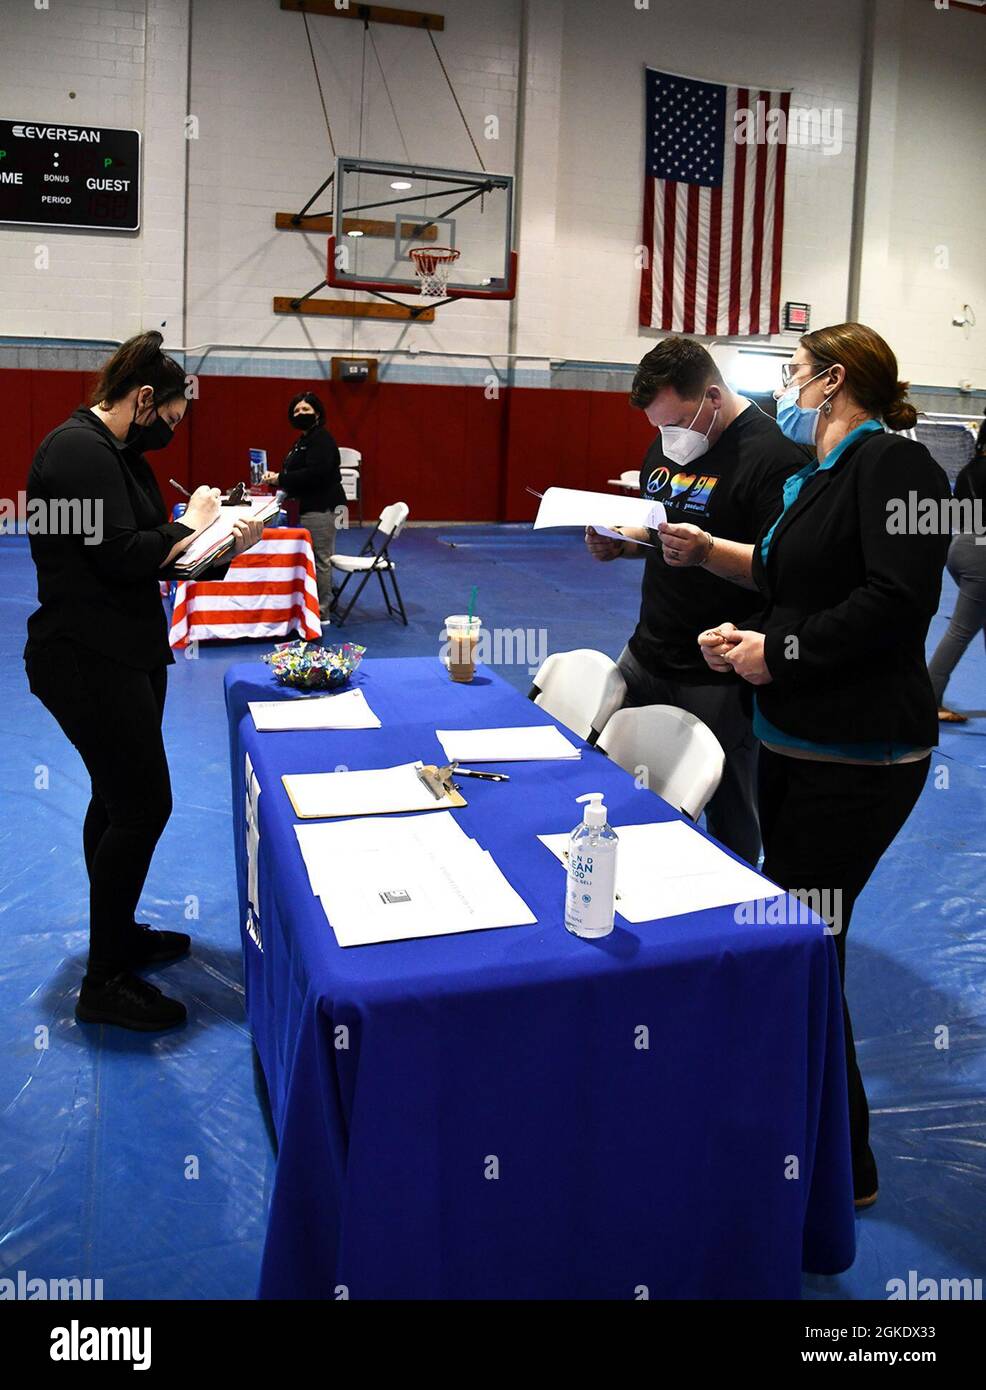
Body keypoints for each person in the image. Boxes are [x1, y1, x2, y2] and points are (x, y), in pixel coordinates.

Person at [696, 323, 951, 1207]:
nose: (785, 389)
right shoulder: (821, 477)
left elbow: (896, 600)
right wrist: (752, 637)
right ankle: (807, 1135)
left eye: (796, 373)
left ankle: (842, 1164)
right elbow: (788, 579)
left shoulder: (897, 467)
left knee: (804, 944)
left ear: (835, 380)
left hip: (861, 755)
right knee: (802, 940)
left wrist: (785, 652)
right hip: (796, 741)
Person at [24, 331, 265, 1032]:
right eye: (170, 421)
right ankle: (104, 980)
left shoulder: (118, 455)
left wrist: (221, 544)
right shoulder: (75, 451)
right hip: (84, 656)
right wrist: (191, 523)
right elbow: (123, 554)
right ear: (144, 399)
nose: (169, 435)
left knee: (117, 796)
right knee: (142, 804)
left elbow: (159, 552)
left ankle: (116, 934)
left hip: (122, 650)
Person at [585, 336, 808, 864]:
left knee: (730, 810)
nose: (669, 438)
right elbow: (664, 534)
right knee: (612, 781)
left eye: (677, 423)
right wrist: (625, 543)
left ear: (712, 397)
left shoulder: (776, 457)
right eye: (659, 427)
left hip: (719, 667)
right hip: (648, 648)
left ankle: (733, 920)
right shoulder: (666, 443)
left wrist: (707, 552)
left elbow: (784, 573)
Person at [262, 392, 346, 623]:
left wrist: (281, 478)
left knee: (321, 558)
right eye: (297, 411)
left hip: (322, 506)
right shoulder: (303, 441)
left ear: (317, 414)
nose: (300, 414)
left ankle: (322, 610)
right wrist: (278, 480)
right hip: (306, 506)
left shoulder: (322, 440)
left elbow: (315, 474)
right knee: (313, 556)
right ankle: (311, 601)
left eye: (306, 410)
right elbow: (296, 473)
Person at [927, 422, 986, 722]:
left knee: (970, 626)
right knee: (961, 629)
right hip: (981, 553)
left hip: (961, 545)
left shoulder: (969, 471)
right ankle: (929, 698)